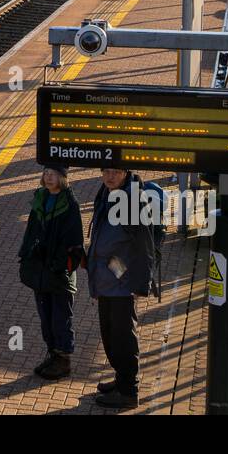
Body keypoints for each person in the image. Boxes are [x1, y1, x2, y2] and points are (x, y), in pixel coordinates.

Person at [86, 167, 158, 408]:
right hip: (107, 280)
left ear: (126, 173)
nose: (110, 177)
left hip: (121, 282)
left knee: (123, 337)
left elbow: (145, 245)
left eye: (115, 172)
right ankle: (121, 379)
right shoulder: (106, 194)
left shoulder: (133, 201)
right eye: (106, 171)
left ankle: (128, 391)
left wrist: (140, 283)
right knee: (110, 335)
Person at [18, 162, 85, 381]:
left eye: (53, 174)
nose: (48, 177)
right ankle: (52, 355)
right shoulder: (40, 198)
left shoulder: (70, 204)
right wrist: (27, 254)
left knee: (60, 318)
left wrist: (61, 266)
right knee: (46, 318)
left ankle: (63, 360)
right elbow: (31, 231)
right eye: (46, 173)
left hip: (59, 274)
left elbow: (75, 242)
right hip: (40, 271)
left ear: (63, 178)